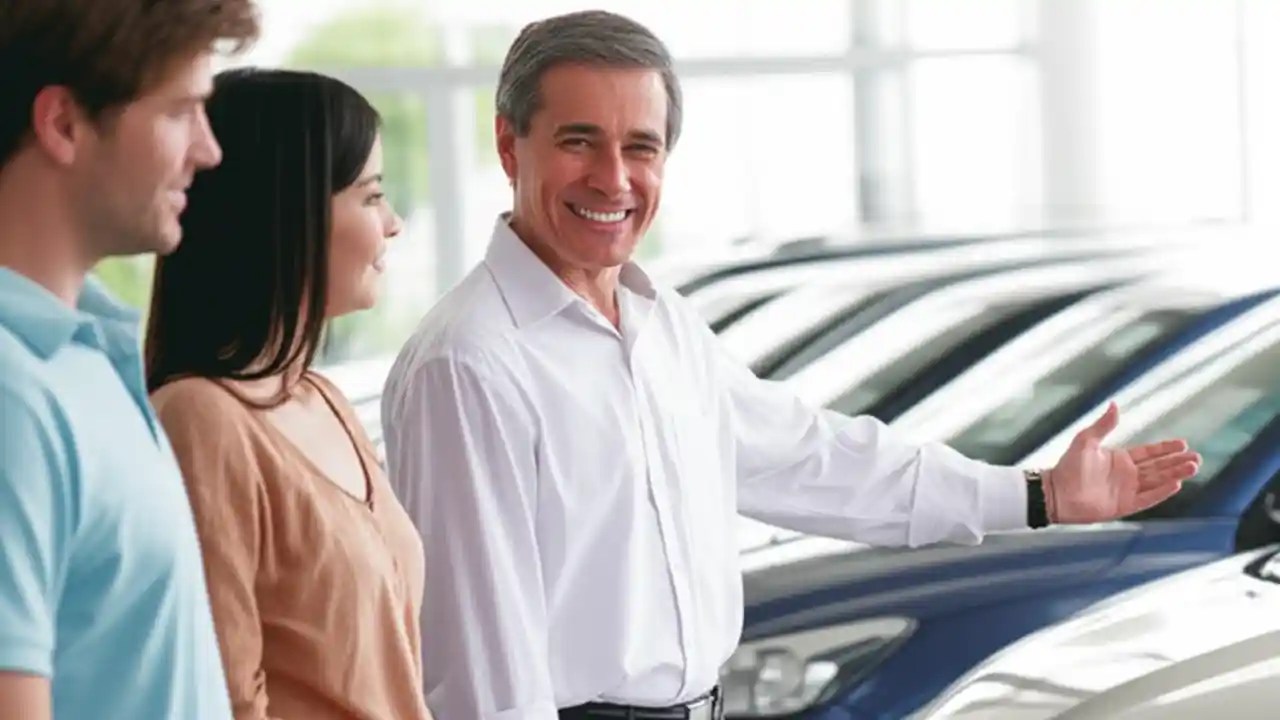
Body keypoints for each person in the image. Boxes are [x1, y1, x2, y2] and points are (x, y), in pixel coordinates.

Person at [381, 10, 1203, 720]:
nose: (614, 178)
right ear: (509, 144)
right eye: (578, 142)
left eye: (641, 147)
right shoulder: (470, 363)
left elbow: (822, 463)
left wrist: (1040, 495)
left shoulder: (662, 327)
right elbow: (483, 670)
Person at [145, 68, 430, 720]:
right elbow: (228, 697)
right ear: (288, 214)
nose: (392, 224)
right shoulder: (201, 421)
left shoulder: (324, 399)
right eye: (371, 196)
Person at [0, 2, 258, 719]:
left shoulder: (85, 353)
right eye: (180, 112)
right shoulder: (11, 397)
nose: (209, 150)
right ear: (63, 124)